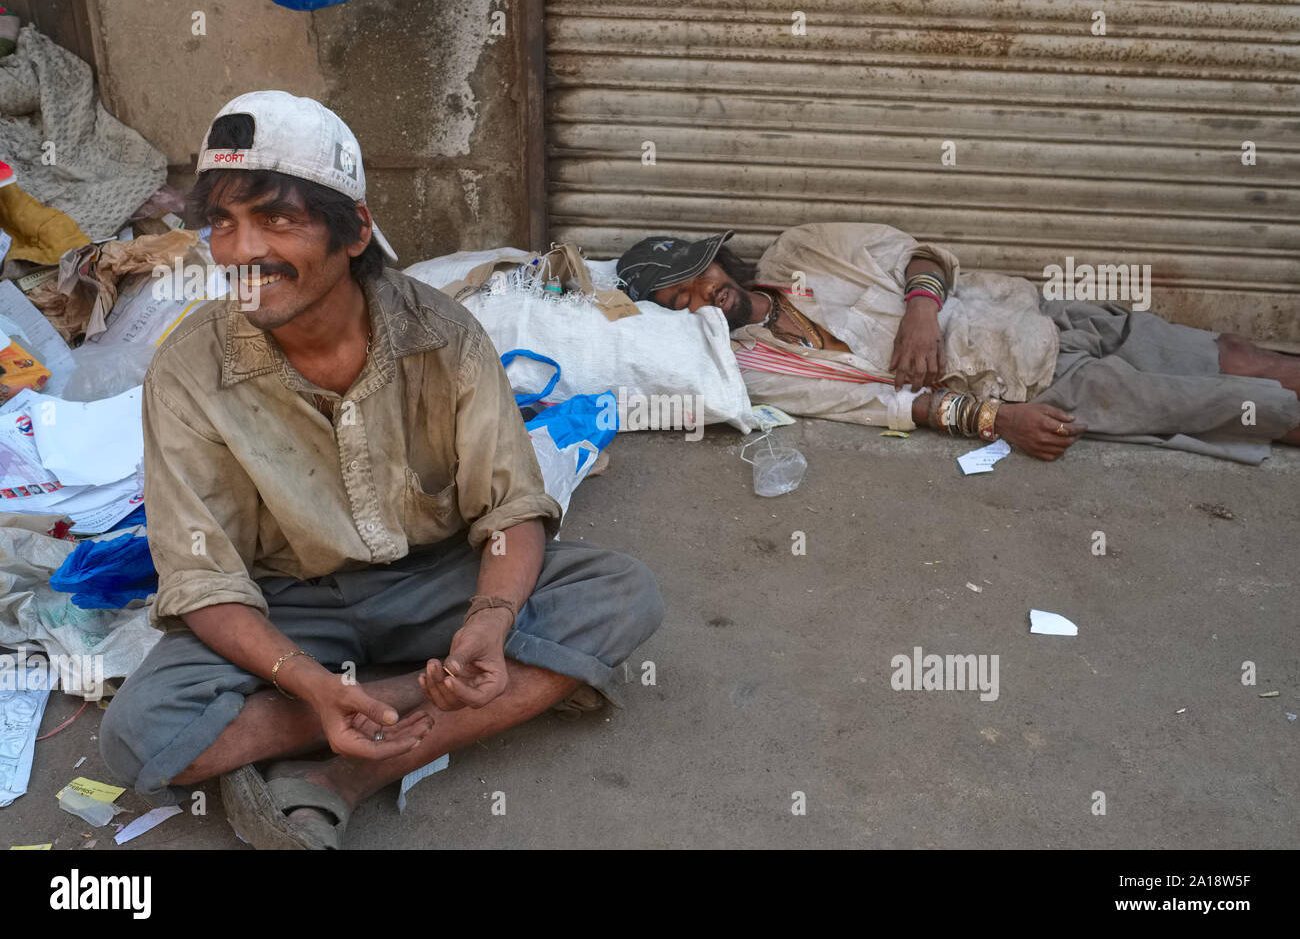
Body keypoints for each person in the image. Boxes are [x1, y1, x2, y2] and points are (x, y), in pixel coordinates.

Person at [99, 92, 664, 849]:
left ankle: (341, 775)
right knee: (137, 736)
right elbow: (202, 577)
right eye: (224, 223)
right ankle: (426, 694)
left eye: (277, 220)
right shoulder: (189, 370)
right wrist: (310, 681)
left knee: (620, 595)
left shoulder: (443, 337)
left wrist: (489, 623)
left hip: (435, 581)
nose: (239, 253)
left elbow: (510, 509)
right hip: (286, 605)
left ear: (355, 231)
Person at [616, 224, 1300, 462]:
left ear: (717, 260)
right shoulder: (753, 368)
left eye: (696, 276)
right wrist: (1001, 422)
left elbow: (925, 253)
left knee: (1241, 355)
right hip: (1034, 387)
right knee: (1244, 403)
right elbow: (882, 410)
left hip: (1041, 317)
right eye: (679, 301)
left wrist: (920, 313)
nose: (702, 295)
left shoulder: (800, 248)